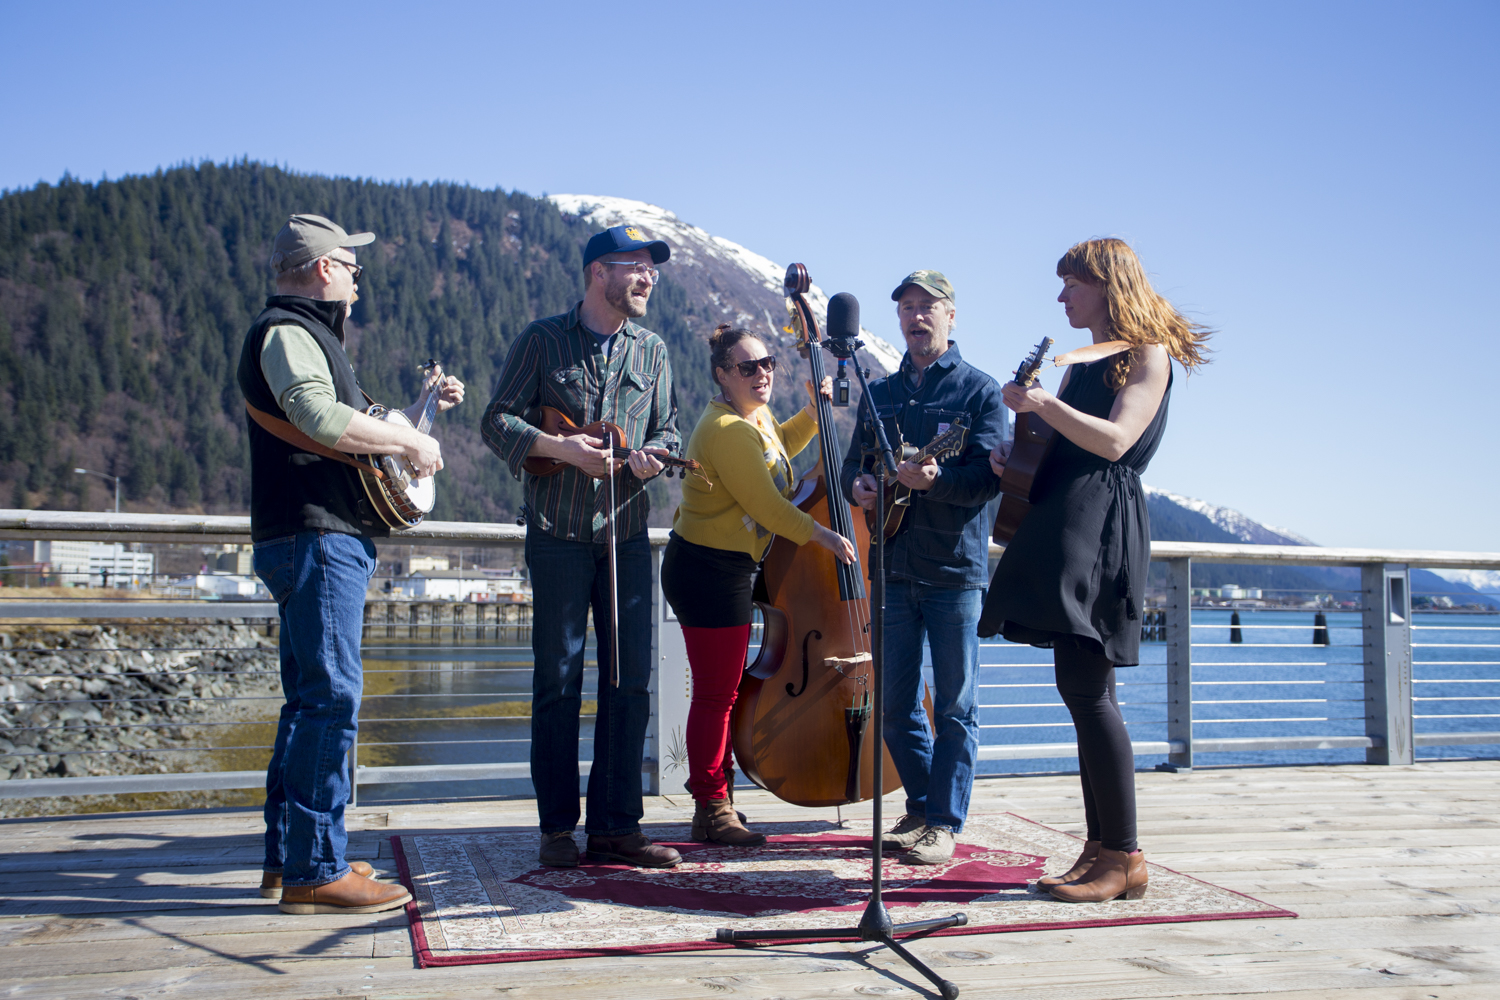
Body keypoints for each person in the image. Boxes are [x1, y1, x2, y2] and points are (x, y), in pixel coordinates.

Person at [238, 213, 464, 914]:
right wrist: (408, 448)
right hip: (316, 536)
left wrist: (417, 417)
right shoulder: (289, 333)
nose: (359, 279)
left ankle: (293, 857)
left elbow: (340, 422)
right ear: (323, 267)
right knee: (332, 697)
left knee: (310, 697)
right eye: (352, 266)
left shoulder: (302, 335)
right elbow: (316, 415)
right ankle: (315, 869)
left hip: (314, 534)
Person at [980, 238, 1211, 902]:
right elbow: (1067, 440)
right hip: (1067, 518)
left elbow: (1115, 441)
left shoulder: (1148, 354)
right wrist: (1015, 453)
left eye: (1071, 285)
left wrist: (1040, 405)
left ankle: (1125, 856)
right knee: (1083, 693)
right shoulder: (1086, 356)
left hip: (1099, 525)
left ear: (1107, 285)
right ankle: (1102, 847)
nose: (1061, 298)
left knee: (1089, 692)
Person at [481, 225, 682, 869]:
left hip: (625, 536)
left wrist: (653, 458)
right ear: (600, 271)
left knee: (629, 684)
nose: (648, 278)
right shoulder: (541, 340)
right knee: (558, 681)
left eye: (654, 269)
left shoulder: (653, 351)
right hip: (557, 537)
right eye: (637, 267)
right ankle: (557, 830)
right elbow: (497, 420)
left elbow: (668, 427)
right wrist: (561, 449)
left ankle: (618, 826)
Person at [660, 325, 856, 845]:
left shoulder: (754, 418)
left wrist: (814, 413)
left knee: (721, 691)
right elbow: (767, 507)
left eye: (766, 362)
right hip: (708, 571)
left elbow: (781, 454)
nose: (762, 373)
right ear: (723, 376)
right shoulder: (727, 429)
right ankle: (710, 804)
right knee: (716, 694)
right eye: (747, 367)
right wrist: (824, 537)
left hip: (729, 567)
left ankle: (718, 797)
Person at [840, 271, 1005, 865]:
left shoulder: (980, 394)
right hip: (890, 564)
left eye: (927, 307)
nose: (916, 317)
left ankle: (944, 822)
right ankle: (920, 805)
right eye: (907, 308)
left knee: (957, 704)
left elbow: (989, 479)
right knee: (894, 702)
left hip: (954, 571)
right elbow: (853, 468)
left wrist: (938, 481)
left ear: (951, 316)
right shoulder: (879, 394)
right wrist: (859, 486)